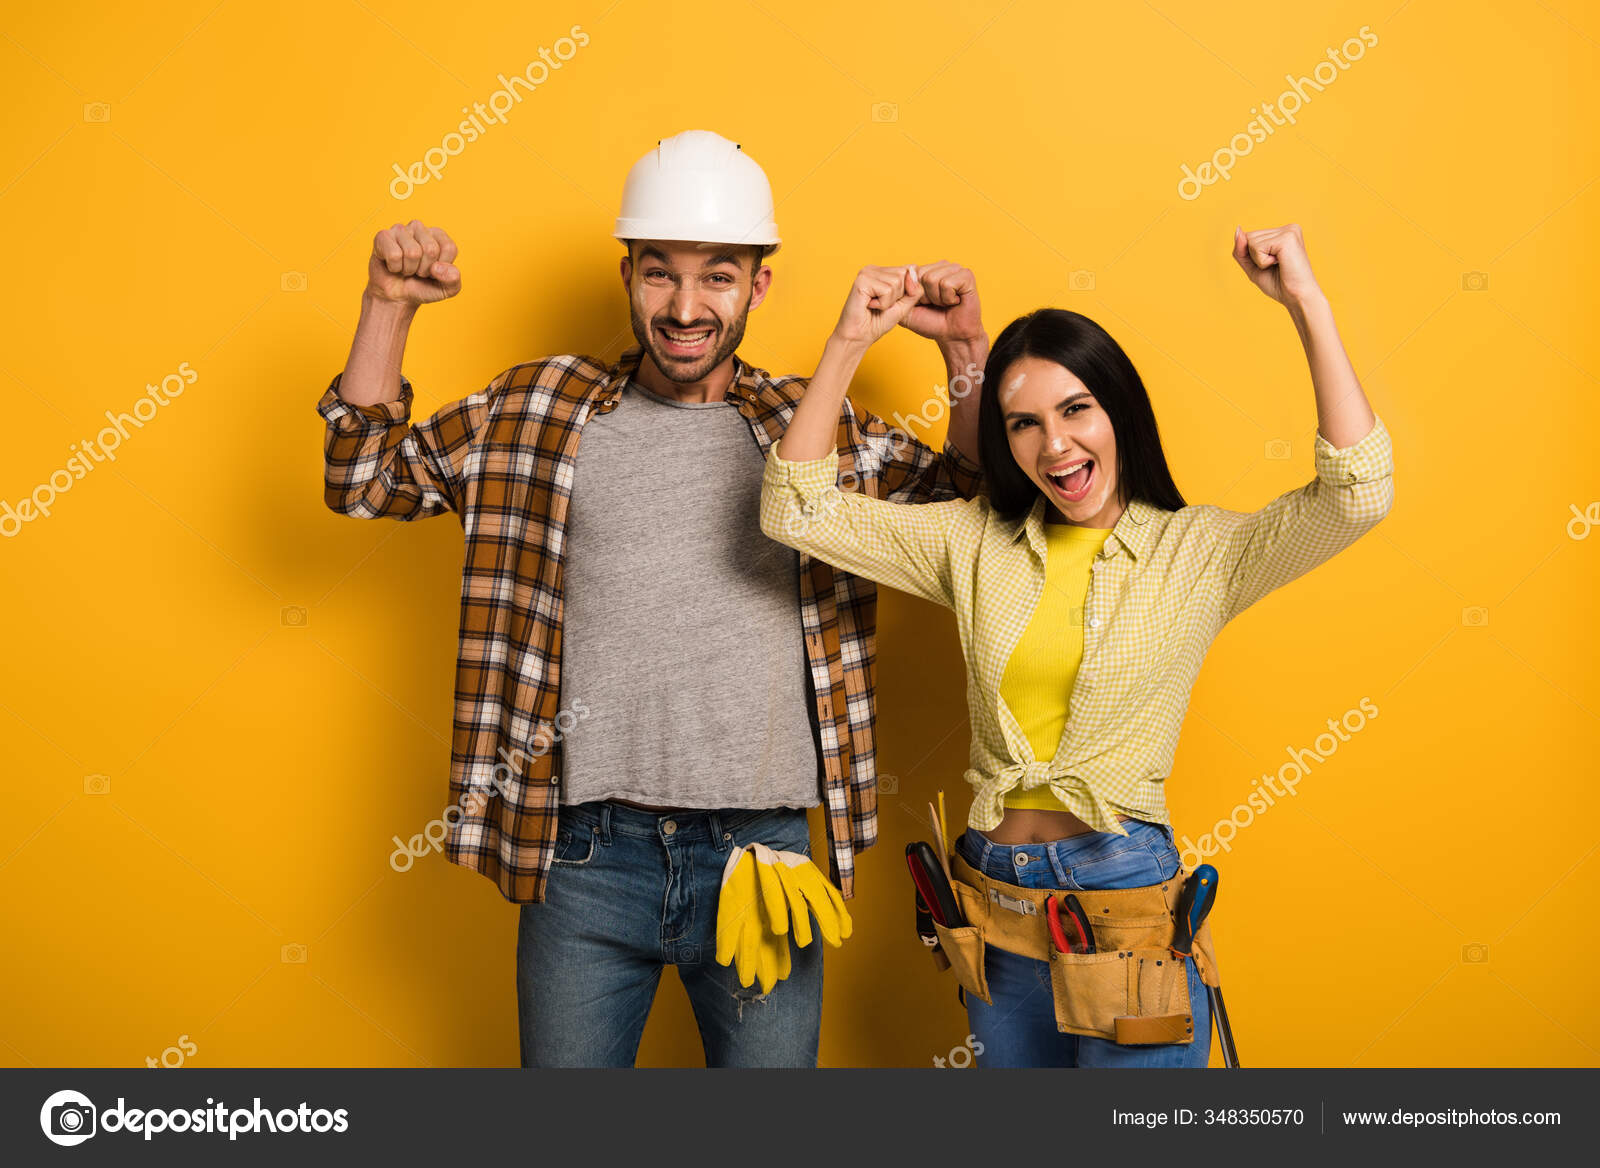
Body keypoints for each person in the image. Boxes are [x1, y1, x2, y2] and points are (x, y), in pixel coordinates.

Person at [315, 130, 990, 1067]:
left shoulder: (815, 430)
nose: (684, 307)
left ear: (758, 286)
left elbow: (975, 509)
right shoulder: (537, 408)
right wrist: (388, 306)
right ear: (627, 275)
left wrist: (965, 347)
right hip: (586, 856)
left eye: (717, 276)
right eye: (658, 274)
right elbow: (364, 479)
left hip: (765, 858)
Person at [760, 224, 1395, 1067]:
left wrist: (1305, 302)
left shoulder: (1200, 553)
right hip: (994, 906)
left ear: (1116, 411)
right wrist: (851, 341)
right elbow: (792, 510)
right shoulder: (972, 543)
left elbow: (1356, 495)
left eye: (1075, 410)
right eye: (1024, 424)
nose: (1054, 445)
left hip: (1126, 908)